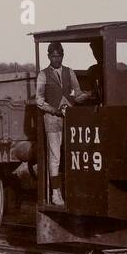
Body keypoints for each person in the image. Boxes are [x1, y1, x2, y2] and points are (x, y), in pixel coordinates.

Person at [35, 41, 88, 208]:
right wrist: (54, 110)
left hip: (69, 120)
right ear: (49, 56)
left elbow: (77, 94)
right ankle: (56, 194)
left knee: (71, 155)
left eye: (59, 56)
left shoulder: (69, 72)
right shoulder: (43, 75)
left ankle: (71, 191)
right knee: (55, 157)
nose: (57, 59)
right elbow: (39, 101)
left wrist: (87, 95)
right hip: (52, 121)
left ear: (63, 56)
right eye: (54, 56)